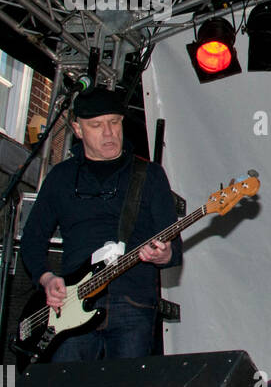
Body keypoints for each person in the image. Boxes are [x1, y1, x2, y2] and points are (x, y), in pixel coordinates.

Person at [20, 87, 181, 362]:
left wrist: (164, 254)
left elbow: (173, 249)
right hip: (71, 307)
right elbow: (32, 240)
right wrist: (46, 279)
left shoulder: (150, 175)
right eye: (96, 125)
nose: (108, 133)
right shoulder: (61, 177)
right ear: (78, 129)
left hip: (133, 303)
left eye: (114, 122)